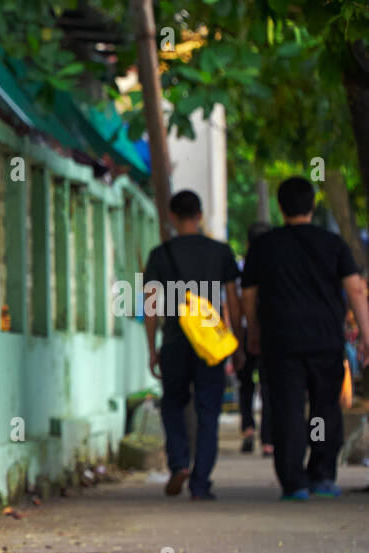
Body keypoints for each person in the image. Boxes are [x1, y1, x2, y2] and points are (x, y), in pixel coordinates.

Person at [241, 177, 369, 500]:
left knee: (287, 408)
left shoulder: (264, 247)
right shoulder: (333, 244)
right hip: (325, 340)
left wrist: (253, 331)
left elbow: (249, 295)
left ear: (281, 208)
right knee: (324, 408)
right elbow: (355, 289)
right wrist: (367, 335)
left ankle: (294, 481)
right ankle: (322, 474)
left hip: (280, 341)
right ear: (313, 205)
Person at [143, 190, 243, 500]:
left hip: (174, 340)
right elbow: (233, 302)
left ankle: (178, 463)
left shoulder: (160, 255)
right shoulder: (221, 252)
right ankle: (200, 483)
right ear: (199, 216)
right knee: (208, 410)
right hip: (209, 345)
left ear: (172, 217)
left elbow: (150, 305)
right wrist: (236, 342)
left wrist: (152, 347)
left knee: (172, 403)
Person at [237, 222, 273, 455]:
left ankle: (248, 428)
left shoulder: (240, 267)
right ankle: (269, 441)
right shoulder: (276, 265)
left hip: (243, 332)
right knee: (269, 385)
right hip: (271, 334)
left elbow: (230, 302)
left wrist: (244, 334)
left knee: (246, 384)